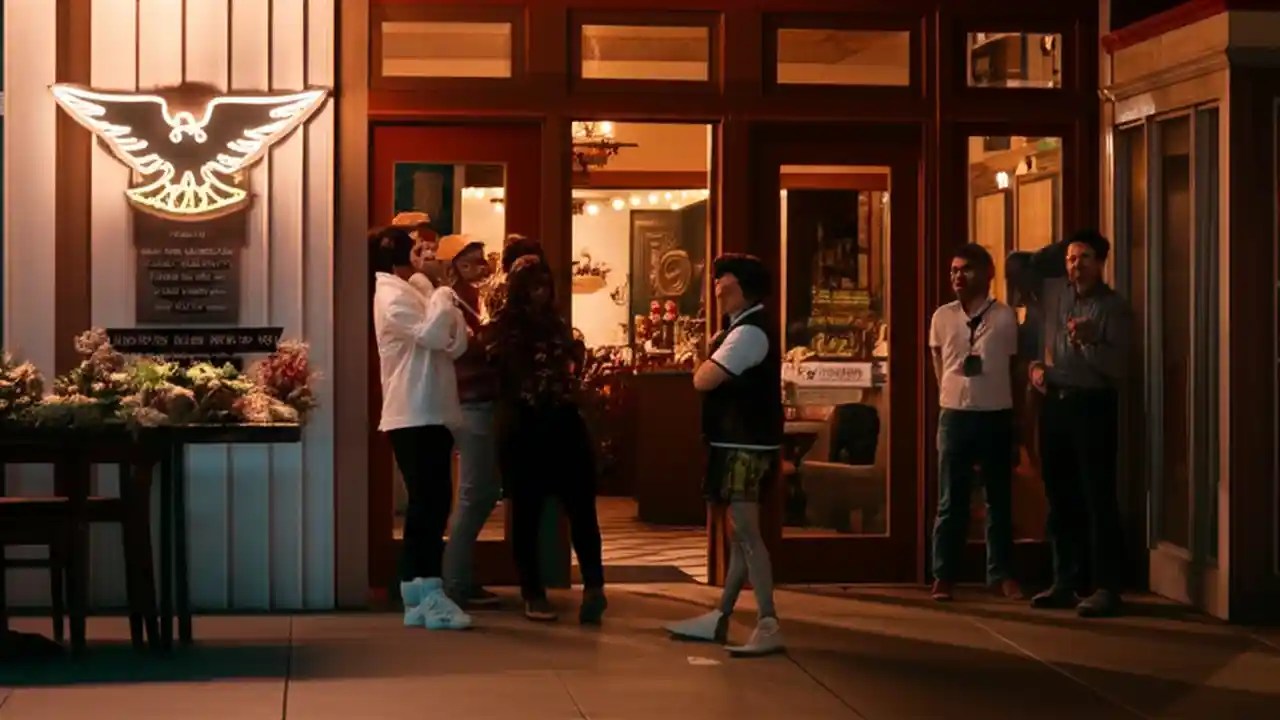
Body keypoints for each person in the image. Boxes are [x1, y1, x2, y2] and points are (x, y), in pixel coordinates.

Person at [664, 254, 785, 656]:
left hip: (746, 445)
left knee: (748, 533)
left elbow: (705, 378)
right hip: (738, 442)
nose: (717, 288)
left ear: (743, 288)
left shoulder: (749, 333)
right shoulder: (737, 328)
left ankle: (768, 621)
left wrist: (704, 361)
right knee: (739, 534)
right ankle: (721, 615)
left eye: (724, 282)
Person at [485, 253, 606, 624]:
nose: (541, 293)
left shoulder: (556, 323)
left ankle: (594, 586)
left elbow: (568, 363)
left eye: (546, 286)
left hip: (562, 421)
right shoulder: (506, 327)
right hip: (524, 425)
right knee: (527, 511)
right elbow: (506, 374)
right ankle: (533, 592)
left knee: (581, 507)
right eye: (534, 286)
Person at [369, 225, 472, 630]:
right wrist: (444, 296)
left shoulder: (416, 290)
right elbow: (433, 335)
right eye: (417, 246)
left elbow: (456, 341)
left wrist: (440, 298)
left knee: (432, 503)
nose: (425, 252)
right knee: (427, 504)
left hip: (434, 409)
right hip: (413, 411)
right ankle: (427, 592)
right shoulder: (391, 294)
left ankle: (418, 595)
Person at [1026, 230, 1132, 617]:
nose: (1076, 265)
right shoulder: (1056, 298)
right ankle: (1064, 581)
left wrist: (1090, 342)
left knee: (1097, 498)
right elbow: (1027, 265)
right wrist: (1037, 369)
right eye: (1071, 258)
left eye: (1085, 257)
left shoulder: (1113, 307)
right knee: (1060, 497)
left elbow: (1118, 368)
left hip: (1092, 406)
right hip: (1055, 405)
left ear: (1101, 263)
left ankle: (1106, 587)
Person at [928, 244, 1022, 602]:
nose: (957, 276)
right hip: (954, 415)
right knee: (952, 500)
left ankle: (1001, 574)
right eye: (953, 270)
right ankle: (943, 576)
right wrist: (951, 395)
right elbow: (938, 362)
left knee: (999, 498)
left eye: (965, 269)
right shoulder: (942, 316)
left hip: (996, 413)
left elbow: (1013, 365)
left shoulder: (1004, 317)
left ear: (987, 273)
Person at [434, 235, 503, 609]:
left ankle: (460, 577)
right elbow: (460, 349)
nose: (482, 268)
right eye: (473, 262)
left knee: (483, 490)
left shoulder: (474, 300)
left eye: (482, 260)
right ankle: (456, 581)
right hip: (469, 401)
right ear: (455, 266)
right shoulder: (451, 302)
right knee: (476, 492)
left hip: (480, 400)